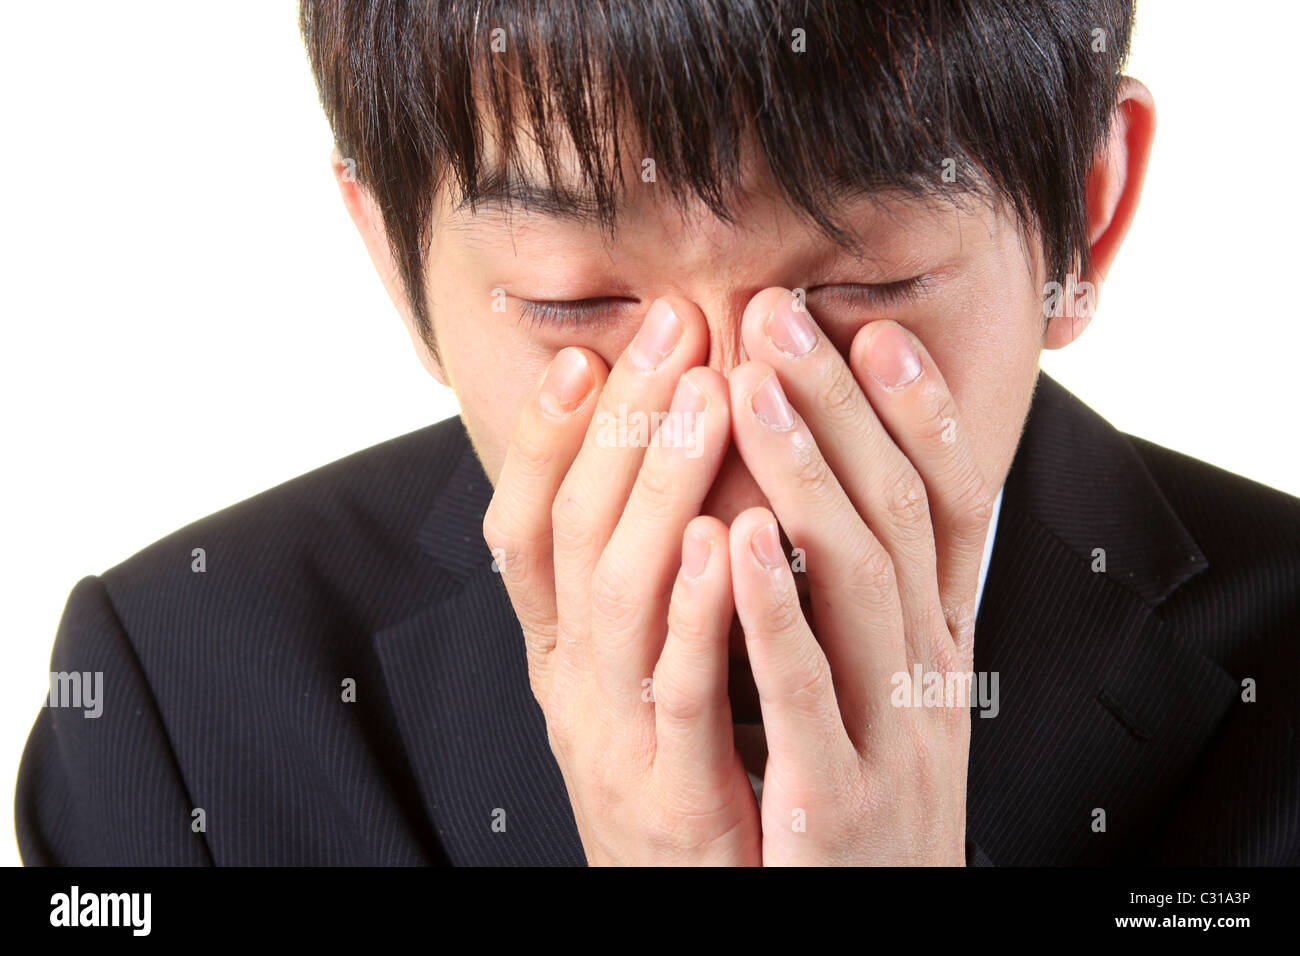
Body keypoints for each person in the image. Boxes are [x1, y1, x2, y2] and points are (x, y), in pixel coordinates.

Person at [16, 0, 1299, 866]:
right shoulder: (181, 710)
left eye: (862, 286)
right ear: (398, 268)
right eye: (578, 300)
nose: (730, 436)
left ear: (1083, 210)